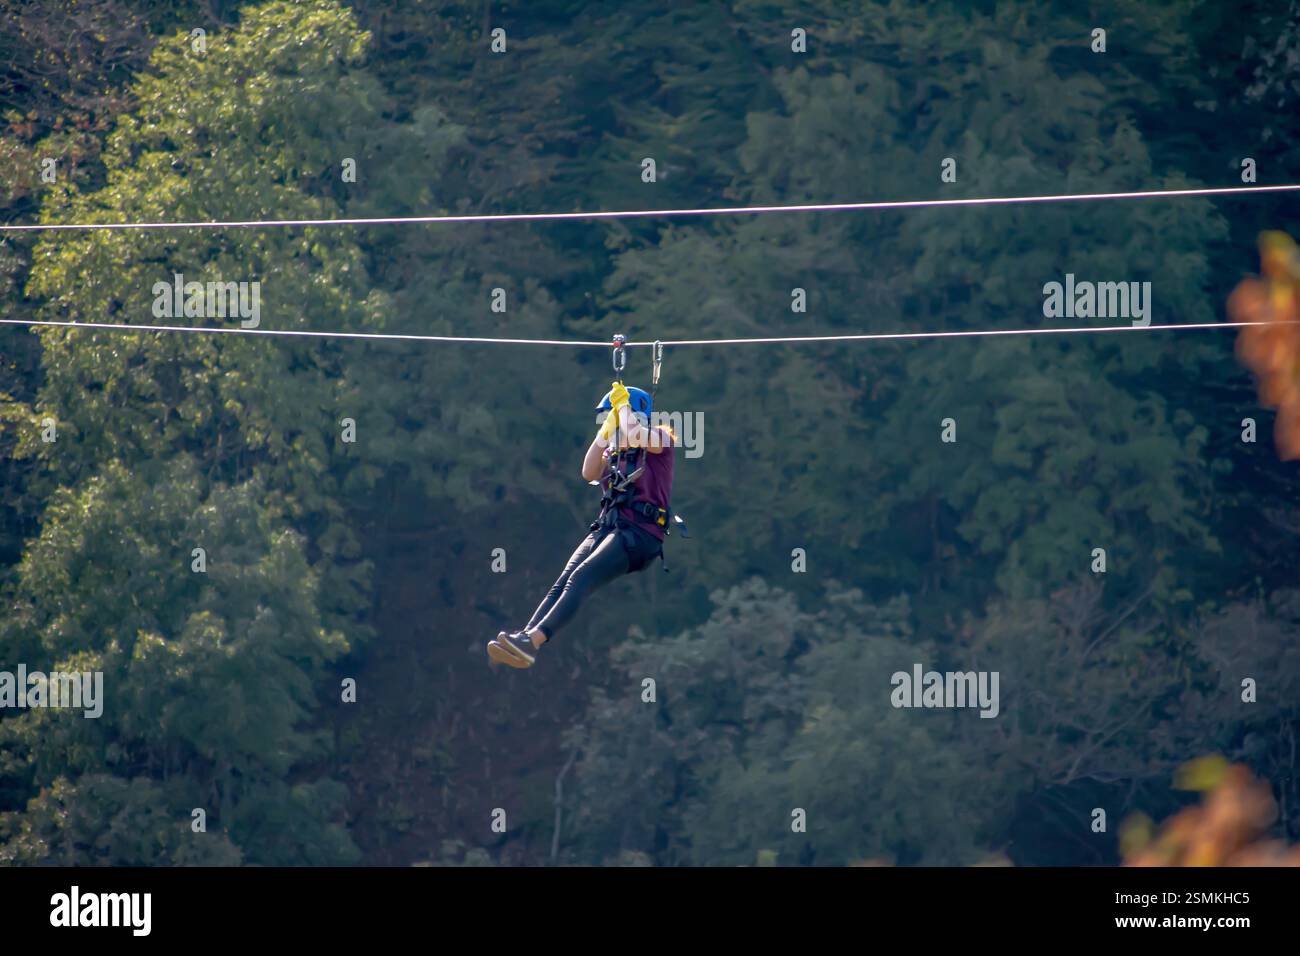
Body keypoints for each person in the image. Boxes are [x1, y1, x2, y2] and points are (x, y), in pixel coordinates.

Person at [488, 381, 675, 669]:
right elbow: (588, 470)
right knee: (564, 580)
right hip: (609, 528)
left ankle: (535, 640)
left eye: (613, 419)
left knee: (582, 577)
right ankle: (526, 638)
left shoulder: (660, 442)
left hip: (640, 535)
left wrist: (622, 405)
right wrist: (604, 433)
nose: (612, 426)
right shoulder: (614, 455)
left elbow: (638, 434)